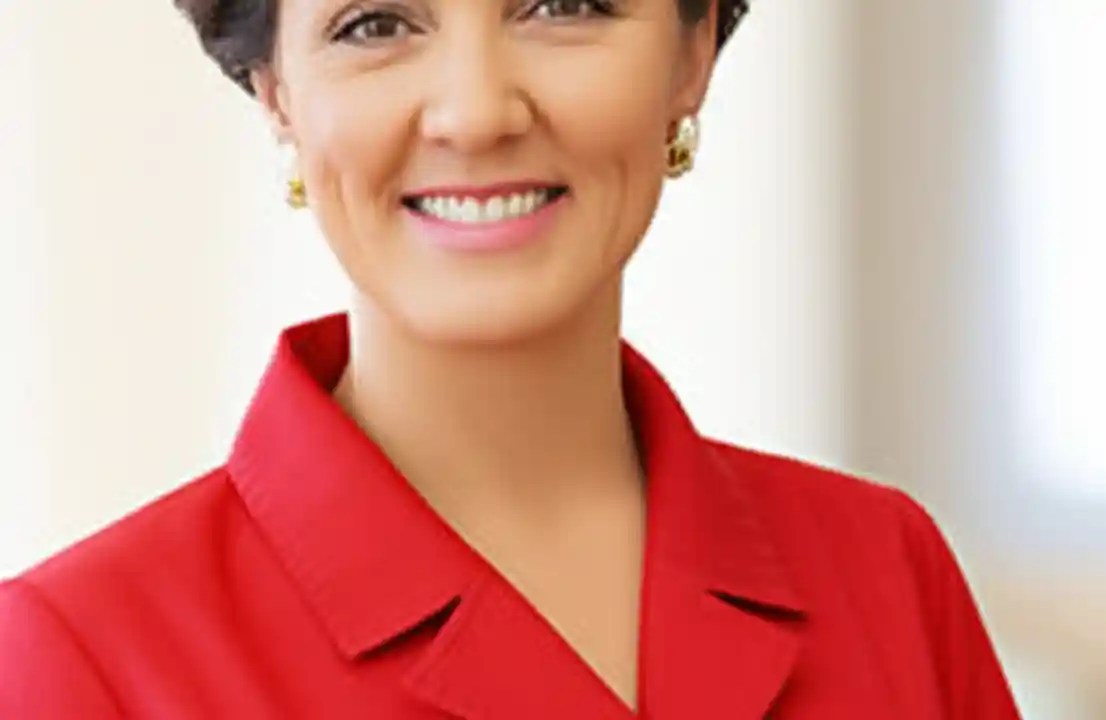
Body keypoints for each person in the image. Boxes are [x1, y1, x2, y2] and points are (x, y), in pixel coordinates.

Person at [0, 0, 1022, 716]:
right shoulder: (80, 660)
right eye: (374, 24)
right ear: (275, 91)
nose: (476, 111)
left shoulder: (883, 573)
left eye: (562, 3)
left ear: (691, 47)